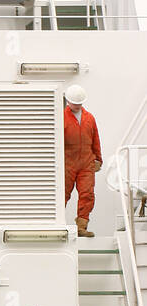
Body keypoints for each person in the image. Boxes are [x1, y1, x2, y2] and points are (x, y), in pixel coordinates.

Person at [63, 84, 102, 238]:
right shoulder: (60, 117)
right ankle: (55, 224)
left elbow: (95, 139)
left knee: (87, 194)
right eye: (74, 102)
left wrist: (98, 158)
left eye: (79, 102)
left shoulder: (89, 118)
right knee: (62, 194)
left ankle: (82, 227)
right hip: (67, 162)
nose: (77, 105)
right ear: (68, 101)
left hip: (86, 162)